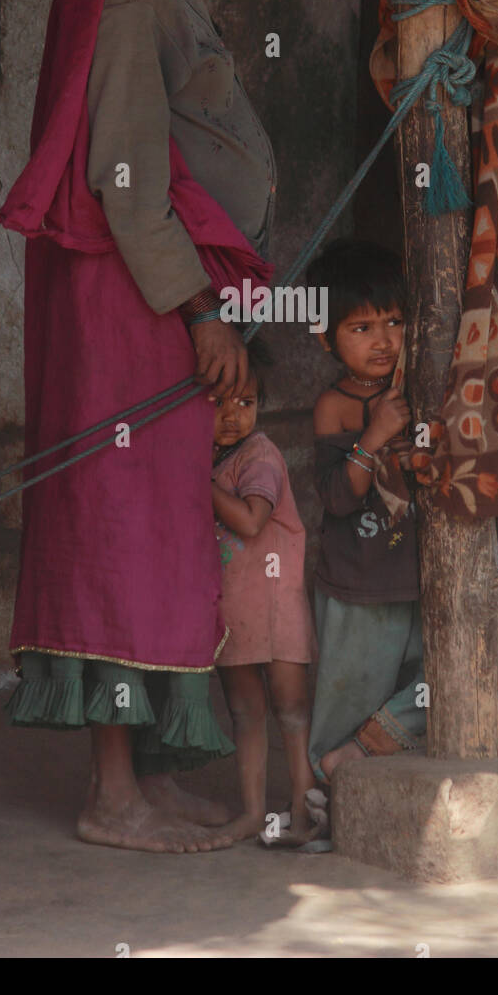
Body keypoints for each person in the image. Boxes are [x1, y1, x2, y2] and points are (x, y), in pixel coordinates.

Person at [0, 0, 277, 854]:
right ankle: (111, 794)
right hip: (132, 305)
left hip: (132, 297)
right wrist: (199, 308)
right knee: (122, 531)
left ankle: (137, 780)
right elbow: (124, 177)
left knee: (147, 529)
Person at [305, 239, 428, 782]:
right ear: (324, 336)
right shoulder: (334, 405)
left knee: (440, 685)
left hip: (417, 576)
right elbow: (338, 496)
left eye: (394, 322)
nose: (383, 340)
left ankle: (353, 758)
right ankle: (321, 797)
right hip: (357, 583)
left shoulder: (416, 387)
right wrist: (374, 436)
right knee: (345, 699)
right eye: (361, 328)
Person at [210, 340, 321, 844]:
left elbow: (253, 520)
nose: (233, 416)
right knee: (244, 712)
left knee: (292, 710)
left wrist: (195, 481)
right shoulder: (209, 458)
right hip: (232, 616)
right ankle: (253, 812)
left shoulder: (260, 455)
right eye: (218, 403)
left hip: (277, 612)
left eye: (246, 403)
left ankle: (302, 810)